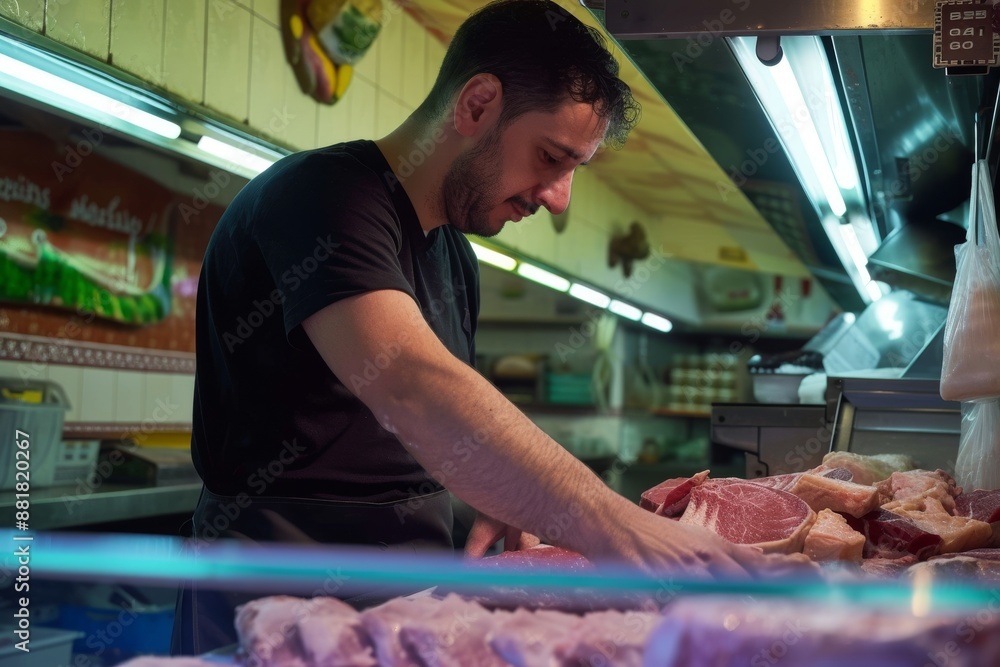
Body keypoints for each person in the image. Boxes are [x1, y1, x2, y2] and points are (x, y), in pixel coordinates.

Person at [172, 0, 767, 655]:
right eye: (551, 157)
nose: (559, 196)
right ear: (478, 104)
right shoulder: (320, 198)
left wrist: (489, 493)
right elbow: (413, 386)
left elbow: (426, 431)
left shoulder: (454, 253)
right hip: (274, 593)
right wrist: (613, 523)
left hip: (414, 592)